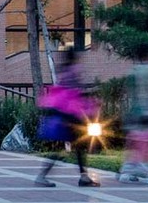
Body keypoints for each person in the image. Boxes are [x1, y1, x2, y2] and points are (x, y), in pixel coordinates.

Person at [34, 48, 100, 188]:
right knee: (74, 147)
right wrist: (90, 106)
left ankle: (83, 176)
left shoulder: (62, 71)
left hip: (62, 114)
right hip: (69, 115)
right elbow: (77, 93)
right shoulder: (74, 70)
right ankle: (81, 177)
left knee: (73, 147)